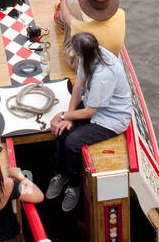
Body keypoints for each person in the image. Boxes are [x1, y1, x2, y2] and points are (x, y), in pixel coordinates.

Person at [46, 34, 133, 213]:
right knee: (62, 131)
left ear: (81, 55)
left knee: (72, 142)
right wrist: (68, 117)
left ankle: (75, 182)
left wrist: (63, 116)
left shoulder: (103, 75)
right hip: (94, 105)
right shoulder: (91, 57)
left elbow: (90, 112)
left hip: (111, 118)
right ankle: (60, 173)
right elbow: (78, 85)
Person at [54, 0, 126, 69]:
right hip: (111, 60)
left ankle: (60, 22)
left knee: (71, 3)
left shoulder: (83, 28)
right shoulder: (121, 13)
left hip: (86, 67)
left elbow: (67, 17)